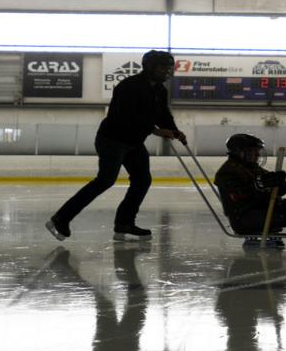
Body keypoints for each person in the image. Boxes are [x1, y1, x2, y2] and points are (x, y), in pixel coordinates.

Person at [47, 50, 188, 242]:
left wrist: (174, 130)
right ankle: (60, 218)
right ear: (149, 67)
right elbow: (125, 116)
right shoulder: (129, 86)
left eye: (168, 68)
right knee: (105, 180)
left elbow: (163, 114)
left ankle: (124, 223)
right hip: (112, 140)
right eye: (162, 67)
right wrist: (155, 131)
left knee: (142, 180)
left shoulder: (160, 90)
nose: (166, 71)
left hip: (134, 142)